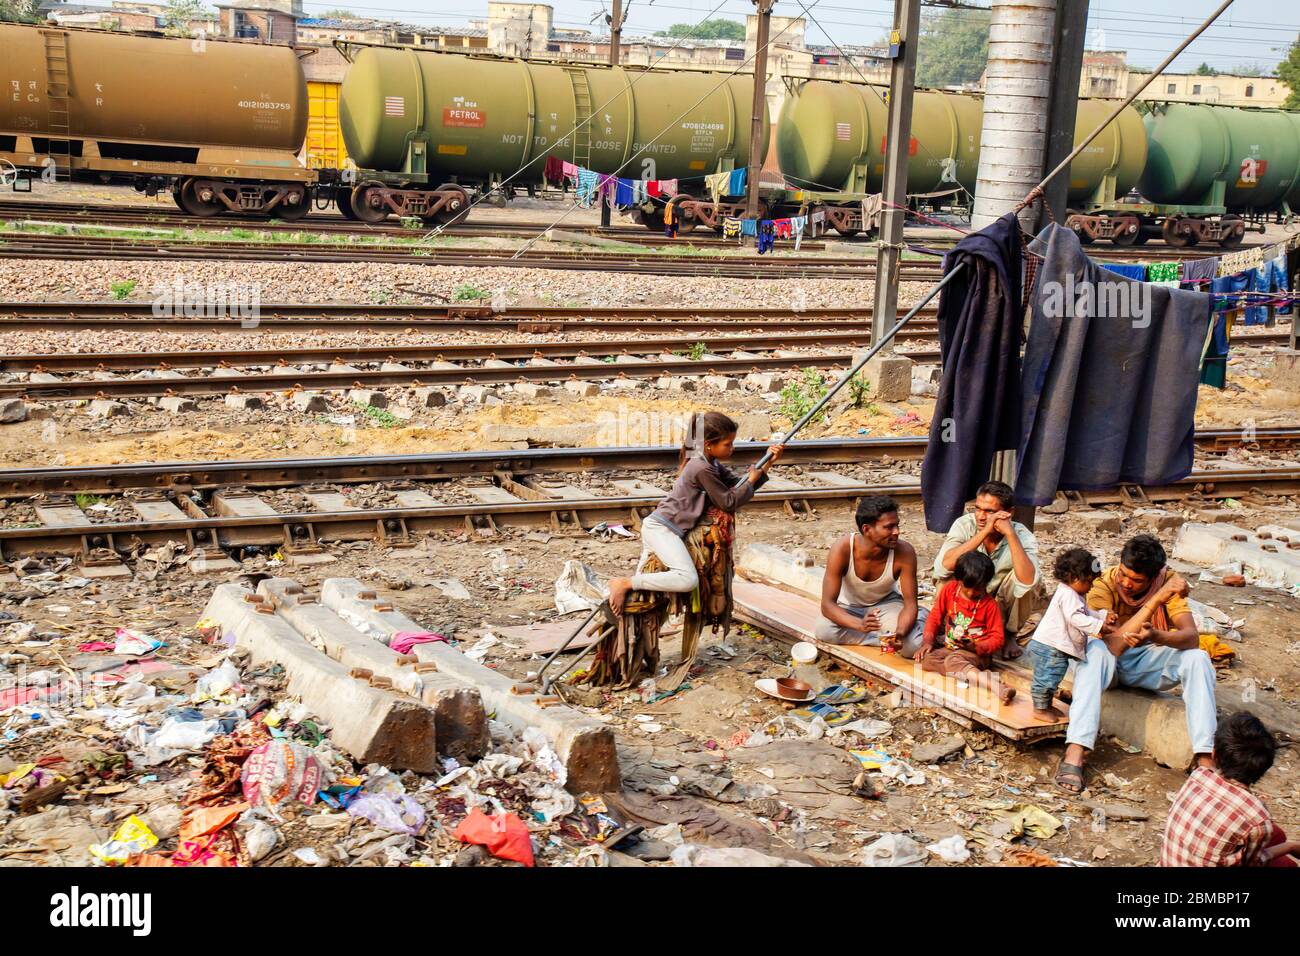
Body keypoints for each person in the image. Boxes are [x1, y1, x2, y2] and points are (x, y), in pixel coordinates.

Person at [1055, 534, 1217, 794]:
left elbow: (1191, 637)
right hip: (1105, 663)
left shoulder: (1167, 583)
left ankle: (1205, 759)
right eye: (1124, 575)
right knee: (1096, 650)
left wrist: (1156, 635)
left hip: (1144, 660)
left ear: (1153, 578)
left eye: (1137, 580)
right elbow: (1115, 645)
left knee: (1198, 659)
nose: (1127, 584)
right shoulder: (1102, 582)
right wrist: (1155, 601)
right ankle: (1076, 750)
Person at [607, 411, 783, 615]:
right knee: (686, 579)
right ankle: (623, 582)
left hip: (664, 528)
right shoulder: (701, 467)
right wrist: (752, 479)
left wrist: (767, 464)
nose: (732, 448)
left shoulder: (710, 463)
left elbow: (736, 485)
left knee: (644, 595)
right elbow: (728, 501)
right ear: (708, 444)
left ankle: (624, 597)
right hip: (663, 530)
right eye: (727, 444)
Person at [1161, 712, 1299, 867]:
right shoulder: (1257, 818)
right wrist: (1290, 847)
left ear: (1213, 755)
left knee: (1277, 835)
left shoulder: (1198, 775)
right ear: (1263, 768)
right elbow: (1252, 863)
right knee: (1286, 864)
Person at [932, 480, 1043, 659]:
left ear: (1009, 513)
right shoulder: (965, 524)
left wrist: (1010, 534)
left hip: (996, 604)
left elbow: (1028, 581)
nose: (981, 516)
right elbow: (942, 568)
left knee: (1025, 579)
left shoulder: (1021, 534)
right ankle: (948, 627)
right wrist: (983, 533)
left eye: (989, 511)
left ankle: (1008, 636)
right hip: (964, 601)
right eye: (978, 509)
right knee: (947, 579)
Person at [814, 496, 928, 657]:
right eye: (889, 527)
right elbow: (827, 605)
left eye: (897, 525)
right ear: (867, 529)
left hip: (887, 606)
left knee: (912, 647)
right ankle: (881, 639)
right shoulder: (842, 549)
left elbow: (910, 605)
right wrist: (860, 624)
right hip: (850, 608)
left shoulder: (904, 552)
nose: (897, 532)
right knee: (823, 630)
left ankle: (911, 624)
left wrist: (899, 635)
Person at [1025, 548, 1116, 721]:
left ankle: (1046, 705)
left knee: (1054, 675)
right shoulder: (1067, 595)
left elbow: (1086, 612)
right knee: (1048, 677)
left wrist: (1103, 615)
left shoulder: (1074, 594)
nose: (1091, 588)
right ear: (1075, 578)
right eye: (1089, 582)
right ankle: (1040, 709)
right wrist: (1100, 626)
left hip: (1054, 646)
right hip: (1050, 646)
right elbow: (1077, 618)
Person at [918, 551, 1016, 705]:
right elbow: (935, 616)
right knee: (927, 661)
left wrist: (975, 646)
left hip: (976, 654)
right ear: (958, 581)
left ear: (986, 584)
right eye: (966, 588)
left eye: (978, 589)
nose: (971, 593)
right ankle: (980, 676)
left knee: (953, 660)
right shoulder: (950, 590)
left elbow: (998, 639)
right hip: (951, 649)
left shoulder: (989, 605)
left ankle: (994, 687)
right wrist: (928, 641)